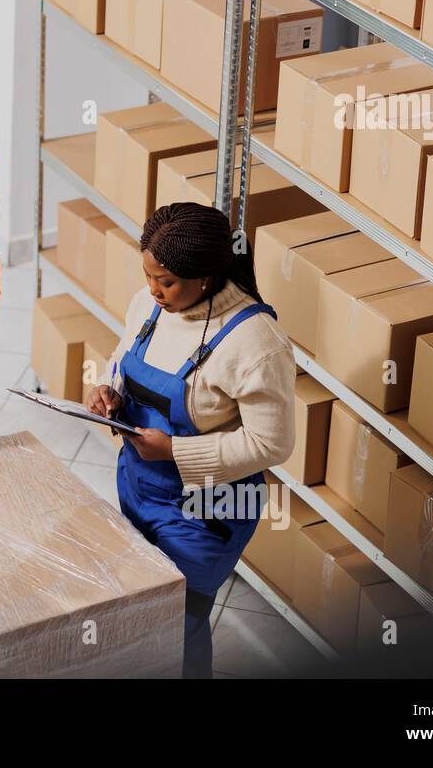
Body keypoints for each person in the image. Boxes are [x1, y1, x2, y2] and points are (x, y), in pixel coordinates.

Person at [85, 202, 295, 678]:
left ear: (205, 276)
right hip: (139, 486)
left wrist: (176, 451)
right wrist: (107, 389)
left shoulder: (257, 342)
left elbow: (272, 445)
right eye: (149, 276)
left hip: (208, 511)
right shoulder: (149, 306)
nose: (154, 291)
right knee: (140, 604)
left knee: (179, 619)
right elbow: (122, 359)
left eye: (167, 282)